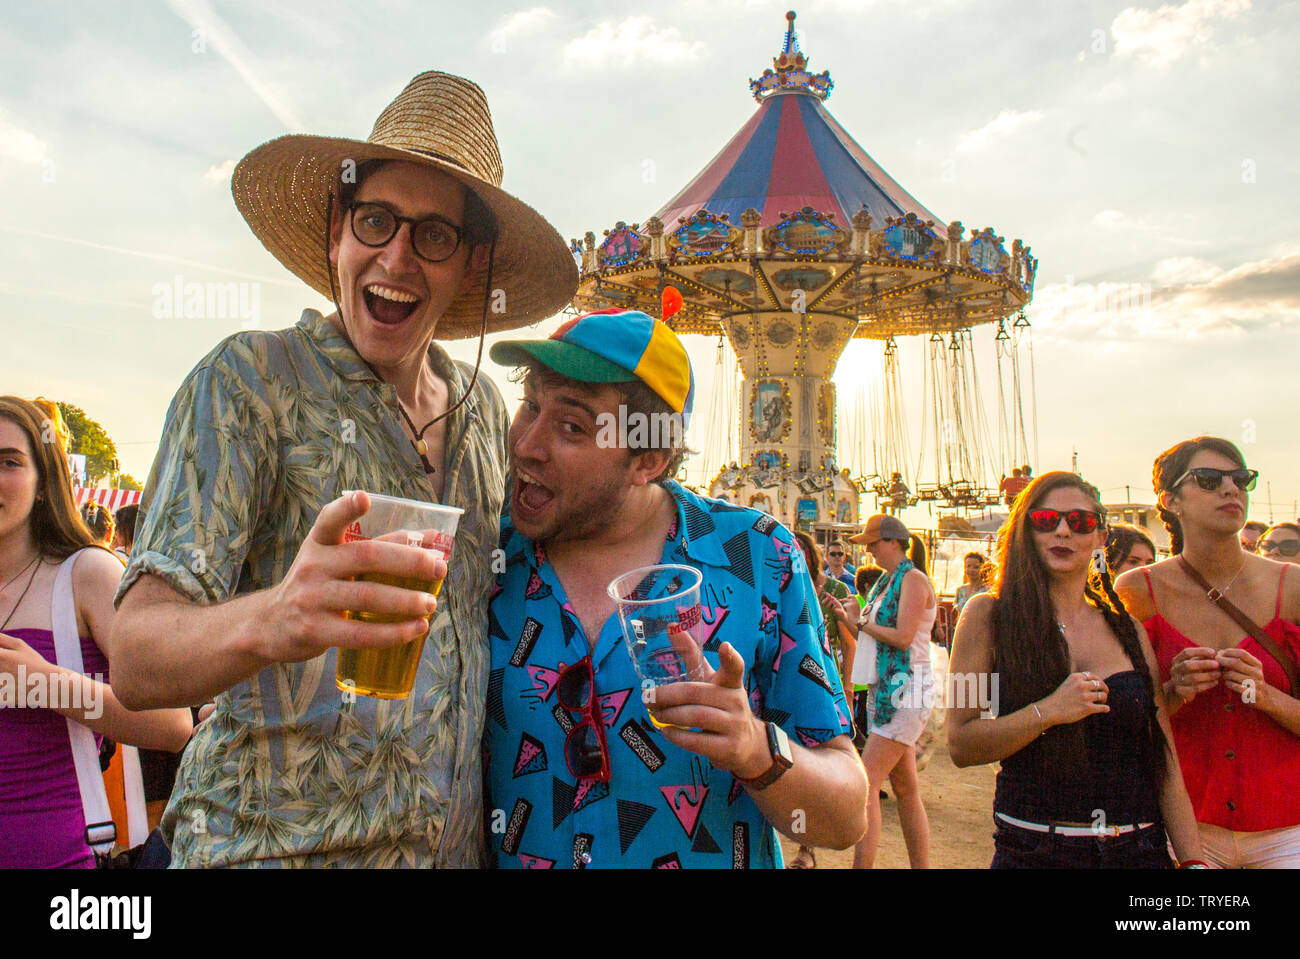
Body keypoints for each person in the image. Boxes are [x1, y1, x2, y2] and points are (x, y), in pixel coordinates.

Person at [108, 72, 577, 868]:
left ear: (469, 266)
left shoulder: (486, 412)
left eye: (433, 235)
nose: (396, 254)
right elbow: (136, 657)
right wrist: (277, 615)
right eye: (375, 220)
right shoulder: (249, 381)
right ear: (337, 234)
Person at [482, 308, 867, 868]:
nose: (526, 446)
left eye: (571, 427)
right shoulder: (486, 556)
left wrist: (756, 749)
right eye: (531, 406)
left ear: (650, 459)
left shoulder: (758, 557)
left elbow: (847, 816)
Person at [950, 470, 1202, 868]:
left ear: (1101, 537)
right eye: (1046, 520)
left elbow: (1163, 755)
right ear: (1025, 531)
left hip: (1138, 851)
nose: (1063, 532)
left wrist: (1193, 862)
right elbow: (961, 744)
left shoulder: (1127, 628)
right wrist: (1048, 711)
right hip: (1034, 851)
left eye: (1080, 522)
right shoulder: (986, 616)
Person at [0, 396, 192, 868]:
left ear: (44, 483)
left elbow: (172, 724)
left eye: (8, 462)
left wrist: (46, 683)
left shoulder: (85, 574)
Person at [1117, 438, 1300, 867]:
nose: (1231, 490)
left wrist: (1265, 694)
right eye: (1208, 480)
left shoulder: (1292, 588)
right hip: (1182, 826)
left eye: (1241, 479)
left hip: (1288, 828)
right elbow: (1124, 726)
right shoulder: (1138, 591)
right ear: (1170, 500)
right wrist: (1175, 692)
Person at [847, 514, 936, 868]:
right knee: (905, 789)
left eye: (873, 543)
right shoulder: (888, 581)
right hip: (890, 686)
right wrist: (854, 618)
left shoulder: (912, 580)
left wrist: (861, 621)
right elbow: (877, 637)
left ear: (895, 543)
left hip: (905, 688)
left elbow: (901, 637)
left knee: (865, 785)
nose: (869, 550)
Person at [788, 531, 860, 868]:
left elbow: (848, 642)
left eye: (799, 547)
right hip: (791, 680)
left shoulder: (835, 590)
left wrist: (847, 686)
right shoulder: (784, 581)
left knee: (817, 763)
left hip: (826, 681)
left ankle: (807, 849)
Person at [954, 551, 988, 616]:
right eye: (968, 566)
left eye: (976, 567)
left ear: (982, 568)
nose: (971, 570)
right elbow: (959, 615)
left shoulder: (987, 591)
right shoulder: (960, 590)